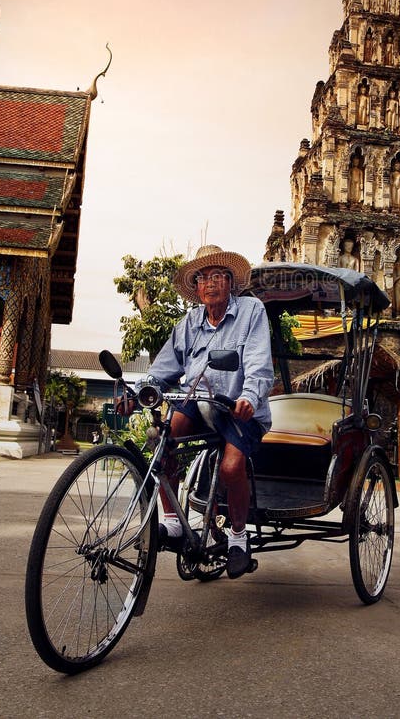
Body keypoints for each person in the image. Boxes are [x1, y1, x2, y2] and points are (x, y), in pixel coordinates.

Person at [146, 244, 274, 579]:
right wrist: (143, 389)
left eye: (218, 276)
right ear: (197, 287)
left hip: (237, 408)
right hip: (198, 401)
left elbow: (259, 364)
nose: (210, 284)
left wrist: (250, 396)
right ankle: (172, 521)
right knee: (162, 442)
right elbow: (164, 367)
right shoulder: (190, 321)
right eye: (203, 278)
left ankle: (238, 537)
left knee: (232, 467)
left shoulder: (251, 311)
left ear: (231, 282)